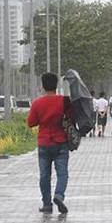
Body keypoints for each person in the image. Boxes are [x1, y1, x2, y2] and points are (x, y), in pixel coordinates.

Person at [27, 73, 74, 214]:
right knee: (62, 173)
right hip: (61, 142)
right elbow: (72, 118)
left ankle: (47, 204)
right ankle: (59, 195)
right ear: (57, 85)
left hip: (44, 143)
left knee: (44, 175)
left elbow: (31, 123)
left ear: (42, 86)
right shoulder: (65, 102)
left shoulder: (37, 103)